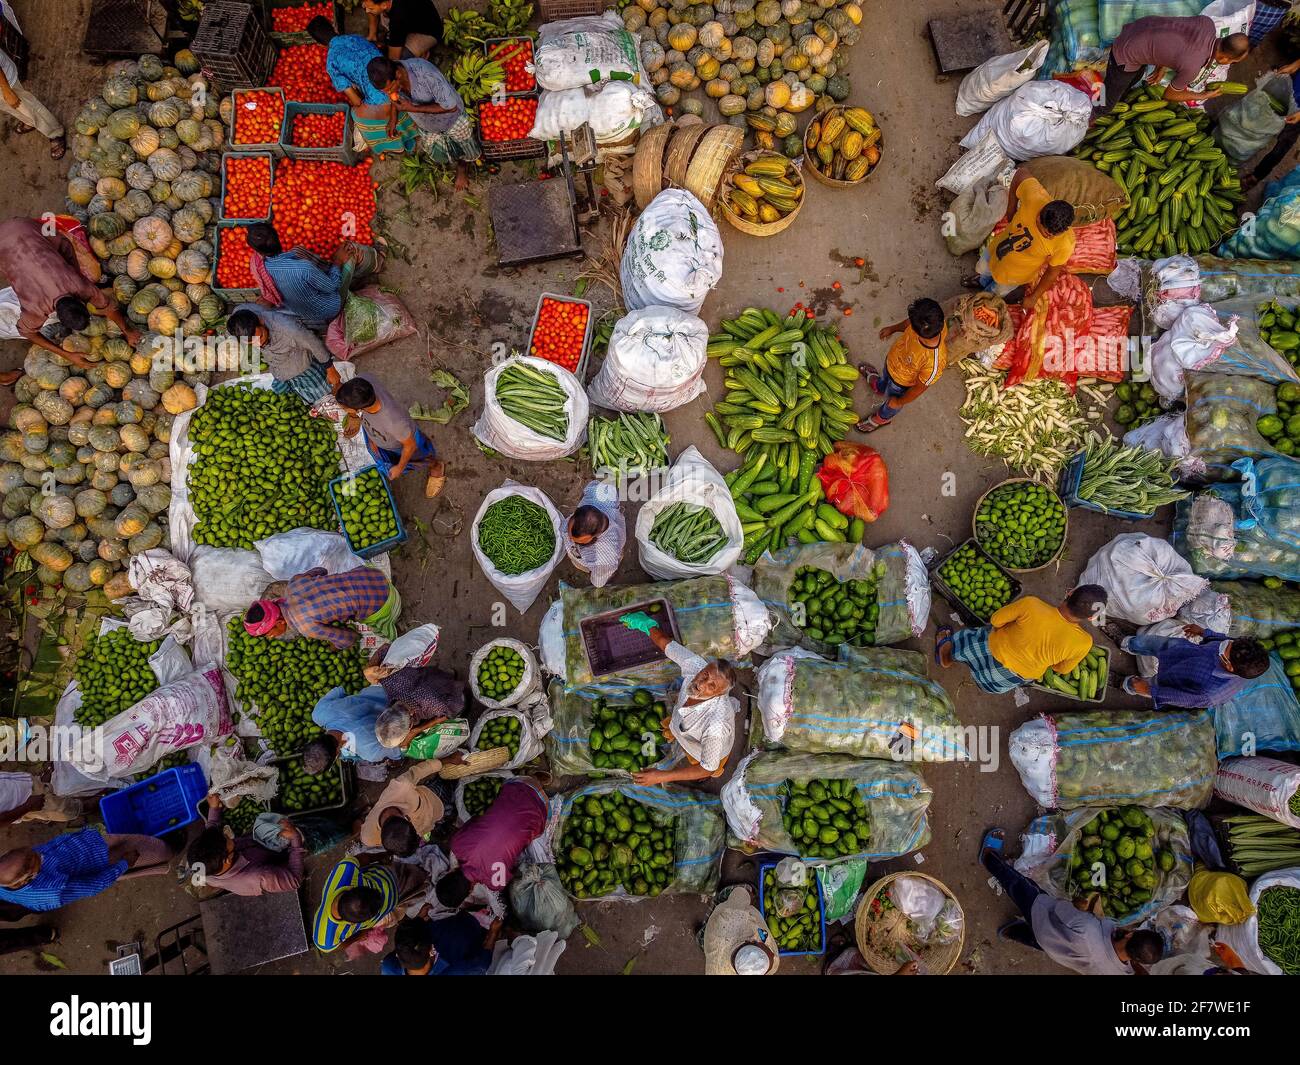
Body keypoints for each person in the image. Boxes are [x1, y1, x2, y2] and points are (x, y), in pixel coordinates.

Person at [979, 829, 1165, 975]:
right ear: (1136, 961)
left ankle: (988, 858)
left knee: (1019, 886)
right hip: (1056, 950)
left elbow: (1060, 907)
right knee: (1037, 940)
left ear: (1130, 934)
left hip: (1043, 915)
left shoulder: (1087, 927)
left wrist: (1083, 906)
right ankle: (1010, 932)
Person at [617, 611, 739, 786]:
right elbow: (667, 645)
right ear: (703, 668)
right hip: (687, 730)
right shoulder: (696, 666)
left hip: (706, 752)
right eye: (705, 675)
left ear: (719, 695)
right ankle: (677, 731)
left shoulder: (715, 726)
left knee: (709, 766)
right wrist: (646, 624)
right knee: (682, 733)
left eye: (711, 686)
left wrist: (661, 776)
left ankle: (712, 774)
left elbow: (707, 767)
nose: (701, 683)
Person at [0, 216, 139, 365]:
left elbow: (107, 307)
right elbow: (26, 332)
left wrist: (127, 331)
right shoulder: (37, 308)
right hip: (19, 228)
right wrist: (67, 355)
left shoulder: (78, 286)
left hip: (23, 227)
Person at [937, 585, 1104, 695]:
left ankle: (946, 657)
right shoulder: (1084, 643)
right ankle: (979, 680)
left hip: (990, 646)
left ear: (1070, 592)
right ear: (1091, 618)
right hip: (1010, 677)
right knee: (987, 682)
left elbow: (995, 620)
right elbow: (1061, 669)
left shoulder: (1032, 604)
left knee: (965, 643)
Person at [367, 55, 479, 190]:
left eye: (390, 89)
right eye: (385, 92)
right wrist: (393, 118)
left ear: (398, 75)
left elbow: (451, 107)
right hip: (427, 125)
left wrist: (413, 108)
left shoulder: (427, 75)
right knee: (440, 153)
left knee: (464, 146)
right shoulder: (391, 77)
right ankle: (449, 158)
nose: (389, 93)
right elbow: (395, 100)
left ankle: (462, 168)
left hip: (451, 119)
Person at [0, 828, 172, 912]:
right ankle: (170, 849)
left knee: (134, 837)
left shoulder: (9, 873)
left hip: (83, 845)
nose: (41, 855)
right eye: (38, 860)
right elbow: (94, 884)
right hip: (99, 860)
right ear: (28, 878)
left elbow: (49, 849)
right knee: (147, 852)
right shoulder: (52, 891)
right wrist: (124, 864)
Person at [1101, 17, 1248, 113]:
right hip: (1125, 52)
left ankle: (1115, 94)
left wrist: (1162, 65)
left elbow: (1173, 37)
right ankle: (1090, 117)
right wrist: (1202, 95)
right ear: (1224, 59)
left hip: (1137, 28)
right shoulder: (1193, 67)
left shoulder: (1207, 23)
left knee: (1132, 79)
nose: (1230, 64)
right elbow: (1169, 95)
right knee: (1105, 104)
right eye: (1232, 62)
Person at [241, 565, 397, 651]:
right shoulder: (293, 585)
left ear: (279, 622)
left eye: (269, 634)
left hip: (383, 599)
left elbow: (349, 638)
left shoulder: (306, 627)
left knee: (382, 626)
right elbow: (321, 570)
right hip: (371, 573)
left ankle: (394, 634)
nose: (271, 638)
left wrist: (335, 646)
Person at [336, 375, 446, 496]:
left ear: (359, 408)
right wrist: (373, 440)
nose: (343, 409)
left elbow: (410, 446)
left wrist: (400, 467)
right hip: (385, 439)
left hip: (405, 444)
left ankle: (436, 466)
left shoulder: (393, 422)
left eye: (345, 408)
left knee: (421, 458)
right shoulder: (365, 381)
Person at [1115, 623, 1269, 708]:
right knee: (1153, 643)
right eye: (1228, 643)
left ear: (1230, 667)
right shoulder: (1239, 649)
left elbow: (1178, 697)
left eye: (1224, 649)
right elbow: (1226, 639)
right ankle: (1126, 643)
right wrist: (1205, 633)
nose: (1224, 644)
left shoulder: (1210, 694)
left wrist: (1148, 690)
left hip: (1174, 678)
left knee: (1148, 684)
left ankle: (1125, 684)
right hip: (1181, 650)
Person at [973, 180, 1076, 307]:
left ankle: (984, 296)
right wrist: (1011, 211)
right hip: (996, 251)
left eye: (1053, 235)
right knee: (984, 270)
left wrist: (1034, 297)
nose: (1049, 236)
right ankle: (981, 282)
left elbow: (1052, 273)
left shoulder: (1066, 243)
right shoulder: (1034, 197)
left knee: (996, 291)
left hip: (1015, 275)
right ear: (1039, 217)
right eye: (1046, 232)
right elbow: (1021, 174)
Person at [855, 297, 948, 432]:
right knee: (885, 378)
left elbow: (918, 389)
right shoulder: (934, 323)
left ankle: (882, 418)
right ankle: (879, 387)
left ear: (918, 331)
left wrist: (899, 402)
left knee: (891, 402)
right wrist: (893, 329)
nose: (909, 324)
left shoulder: (933, 363)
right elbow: (908, 323)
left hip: (901, 383)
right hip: (892, 361)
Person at [186, 795, 305, 896]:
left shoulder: (206, 866)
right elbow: (295, 880)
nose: (227, 835)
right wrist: (295, 839)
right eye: (227, 838)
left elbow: (211, 835)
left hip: (254, 844)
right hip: (282, 856)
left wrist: (214, 809)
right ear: (227, 860)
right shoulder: (259, 878)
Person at [312, 852, 426, 953]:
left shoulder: (343, 874)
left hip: (389, 875)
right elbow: (337, 946)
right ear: (352, 923)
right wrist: (357, 937)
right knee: (419, 884)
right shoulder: (325, 939)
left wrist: (383, 855)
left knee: (419, 875)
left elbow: (363, 858)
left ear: (351, 887)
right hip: (396, 896)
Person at [447, 776, 549, 889]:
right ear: (450, 872)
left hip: (544, 811)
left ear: (470, 890)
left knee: (530, 837)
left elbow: (514, 866)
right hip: (520, 785)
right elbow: (474, 820)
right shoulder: (456, 845)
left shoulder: (496, 882)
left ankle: (544, 788)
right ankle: (539, 780)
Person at [245, 222, 347, 331]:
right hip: (329, 308)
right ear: (277, 237)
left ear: (258, 251)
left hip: (301, 311)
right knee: (350, 259)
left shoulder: (257, 266)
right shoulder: (303, 268)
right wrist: (337, 262)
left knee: (299, 252)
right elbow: (332, 287)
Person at [227, 305, 339, 404]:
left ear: (261, 321)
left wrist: (330, 369)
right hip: (278, 367)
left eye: (260, 337)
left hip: (300, 363)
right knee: (284, 394)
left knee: (320, 394)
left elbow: (314, 344)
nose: (259, 344)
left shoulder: (289, 330)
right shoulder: (240, 315)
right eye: (251, 343)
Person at [358, 754, 465, 856]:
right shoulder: (368, 837)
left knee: (451, 785)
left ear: (406, 818)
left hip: (434, 797)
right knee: (449, 811)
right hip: (432, 819)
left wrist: (449, 760)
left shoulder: (401, 787)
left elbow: (419, 771)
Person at [0, 3, 64, 159]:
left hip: (3, 81)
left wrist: (6, 90)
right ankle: (30, 121)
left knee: (24, 103)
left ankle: (54, 132)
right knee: (12, 107)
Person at [306, 683, 405, 772]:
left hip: (404, 710)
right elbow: (339, 691)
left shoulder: (369, 751)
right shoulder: (319, 713)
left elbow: (400, 747)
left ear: (336, 755)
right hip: (381, 688)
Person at [381, 910, 497, 975]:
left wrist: (418, 920)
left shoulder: (389, 966)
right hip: (473, 925)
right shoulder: (457, 970)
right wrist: (493, 932)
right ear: (432, 949)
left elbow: (406, 945)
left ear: (397, 955)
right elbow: (483, 962)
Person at [1247, 55, 1300, 189]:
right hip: (1294, 89)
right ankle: (1240, 146)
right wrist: (1295, 65)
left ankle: (1257, 175)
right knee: (1262, 115)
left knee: (1284, 143)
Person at [701, 886, 779, 976]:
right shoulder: (730, 917)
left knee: (745, 887)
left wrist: (748, 895)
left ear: (749, 941)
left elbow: (740, 893)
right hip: (716, 933)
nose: (773, 955)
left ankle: (700, 937)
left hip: (715, 932)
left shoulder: (731, 917)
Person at [564, 481, 626, 588]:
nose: (570, 540)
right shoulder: (600, 491)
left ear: (595, 537)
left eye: (579, 542)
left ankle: (611, 572)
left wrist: (598, 579)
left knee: (607, 569)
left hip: (609, 554)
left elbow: (599, 580)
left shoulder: (604, 557)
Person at [364, 0, 444, 59]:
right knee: (368, 6)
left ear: (384, 5)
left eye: (371, 8)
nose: (367, 11)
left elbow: (394, 57)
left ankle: (423, 54)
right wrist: (372, 34)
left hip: (429, 31)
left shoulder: (398, 19)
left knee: (401, 59)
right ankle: (373, 35)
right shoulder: (388, 5)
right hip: (415, 15)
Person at [0, 771, 79, 826]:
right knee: (68, 809)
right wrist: (28, 806)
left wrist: (36, 780)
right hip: (29, 802)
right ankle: (82, 809)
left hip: (26, 781)